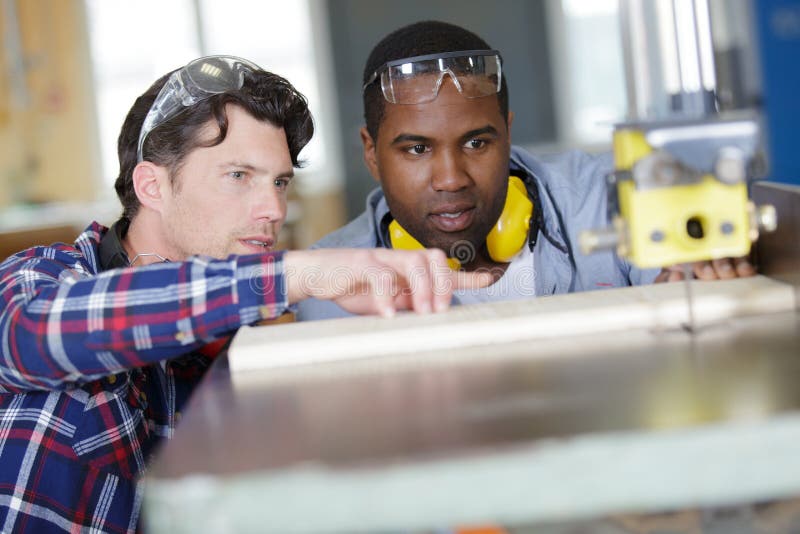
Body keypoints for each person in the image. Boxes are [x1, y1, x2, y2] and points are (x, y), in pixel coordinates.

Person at [0, 56, 487, 533]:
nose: (274, 208)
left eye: (280, 182)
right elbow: (31, 334)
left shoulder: (244, 350)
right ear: (152, 186)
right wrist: (294, 273)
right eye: (239, 176)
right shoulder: (41, 277)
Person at [296, 21, 756, 321]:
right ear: (371, 153)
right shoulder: (324, 284)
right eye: (417, 149)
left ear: (508, 133)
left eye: (477, 143)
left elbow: (677, 284)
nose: (451, 178)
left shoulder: (605, 195)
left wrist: (694, 281)